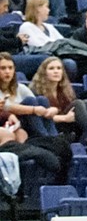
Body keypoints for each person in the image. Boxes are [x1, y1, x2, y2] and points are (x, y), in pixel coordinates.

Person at [0, 53, 70, 206]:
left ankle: (51, 138)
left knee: (41, 100)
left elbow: (40, 108)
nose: (7, 72)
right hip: (16, 128)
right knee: (32, 102)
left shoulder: (21, 88)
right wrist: (31, 110)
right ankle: (49, 141)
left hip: (28, 126)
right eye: (3, 68)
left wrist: (51, 111)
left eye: (10, 68)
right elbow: (7, 107)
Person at [31, 56, 87, 146]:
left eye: (59, 68)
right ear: (44, 72)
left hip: (68, 126)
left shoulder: (65, 89)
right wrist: (64, 118)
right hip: (52, 128)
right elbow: (37, 119)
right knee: (77, 103)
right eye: (51, 68)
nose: (56, 71)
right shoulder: (36, 91)